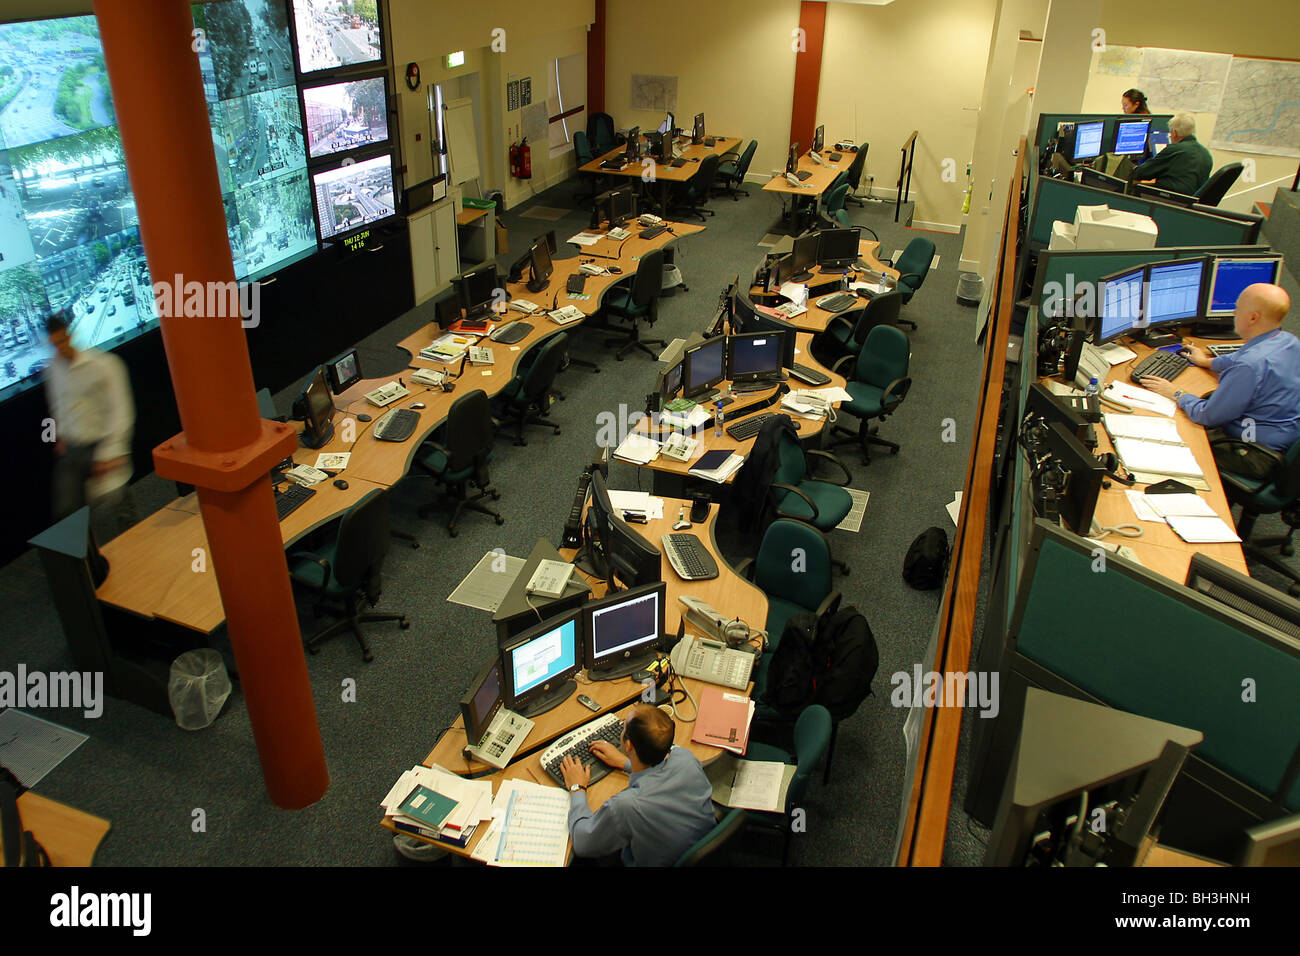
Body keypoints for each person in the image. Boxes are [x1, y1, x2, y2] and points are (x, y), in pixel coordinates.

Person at [1140, 283, 1300, 480]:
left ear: (1253, 317)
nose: (1234, 312)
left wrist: (1176, 393)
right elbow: (1240, 357)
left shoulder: (1249, 366)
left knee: (1175, 443)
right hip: (1282, 436)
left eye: (1238, 308)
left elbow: (1207, 415)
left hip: (1254, 452)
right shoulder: (1287, 341)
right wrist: (1206, 361)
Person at [561, 703, 717, 866]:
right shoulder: (686, 758)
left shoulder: (626, 806)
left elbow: (582, 843)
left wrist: (577, 788)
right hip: (701, 851)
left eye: (623, 726)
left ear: (628, 746)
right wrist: (627, 763)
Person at [44, 313, 136, 529]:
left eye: (62, 341)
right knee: (67, 511)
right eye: (54, 344)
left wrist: (113, 453)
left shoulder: (104, 365)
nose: (60, 348)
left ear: (69, 335)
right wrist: (59, 435)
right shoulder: (54, 370)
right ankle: (85, 560)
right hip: (75, 448)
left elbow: (122, 411)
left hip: (103, 444)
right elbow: (58, 404)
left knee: (122, 508)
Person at [1129, 112, 1213, 196]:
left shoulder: (1174, 149)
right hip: (1189, 203)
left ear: (1174, 133)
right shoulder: (1206, 153)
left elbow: (1140, 173)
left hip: (1170, 200)